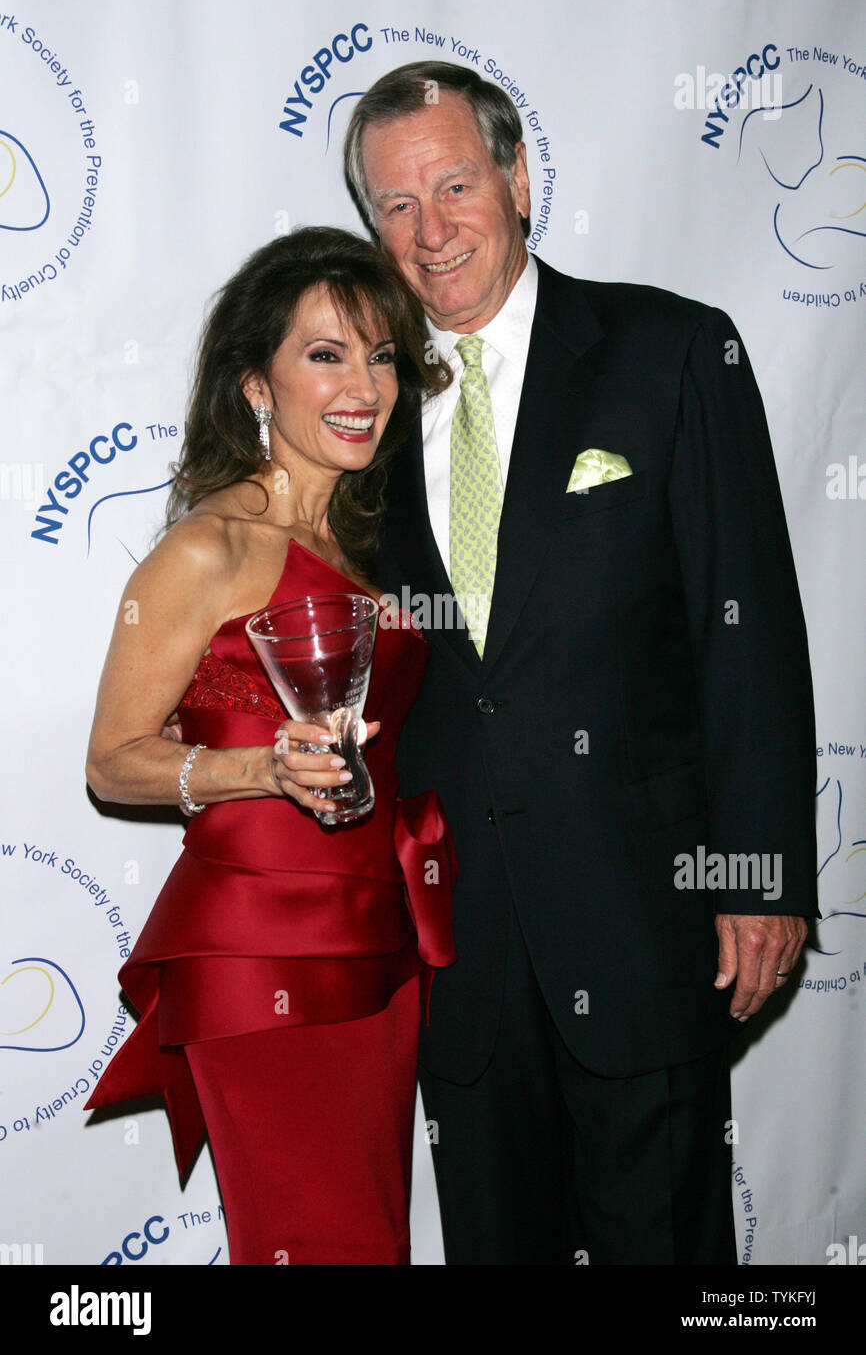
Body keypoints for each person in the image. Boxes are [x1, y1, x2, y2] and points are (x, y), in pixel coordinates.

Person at [342, 61, 818, 1265]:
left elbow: (747, 629)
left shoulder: (667, 351)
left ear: (514, 177)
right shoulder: (358, 411)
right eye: (394, 206)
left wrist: (759, 870)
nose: (430, 229)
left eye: (453, 185)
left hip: (644, 920)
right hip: (459, 956)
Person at [83, 226, 456, 1266]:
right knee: (316, 1239)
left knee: (365, 1237)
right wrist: (261, 769)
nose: (364, 384)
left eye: (381, 354)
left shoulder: (364, 546)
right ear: (256, 383)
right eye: (325, 353)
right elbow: (111, 758)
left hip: (379, 941)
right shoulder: (211, 546)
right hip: (261, 954)